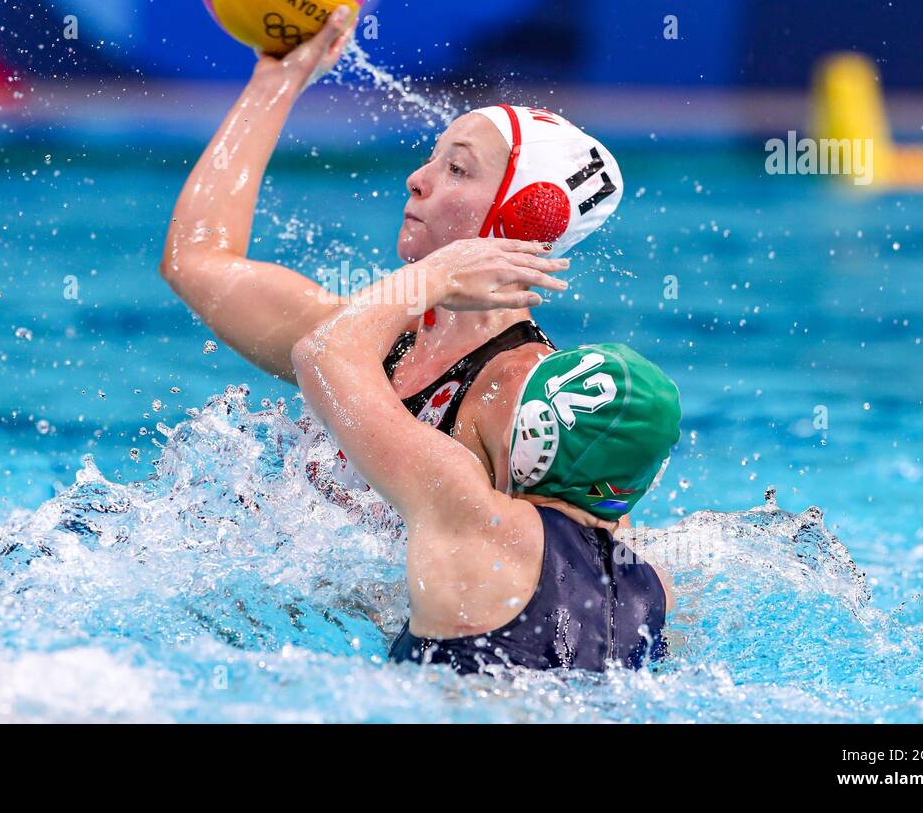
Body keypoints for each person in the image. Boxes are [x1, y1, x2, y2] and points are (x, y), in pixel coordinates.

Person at [160, 7, 624, 510]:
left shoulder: (523, 398)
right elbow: (194, 258)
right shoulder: (364, 337)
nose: (417, 179)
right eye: (432, 157)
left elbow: (579, 569)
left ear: (522, 219)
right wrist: (278, 79)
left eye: (458, 169)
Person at [291, 238, 681, 673]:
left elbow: (324, 353)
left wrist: (438, 274)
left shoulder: (473, 514)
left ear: (533, 442)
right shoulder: (655, 589)